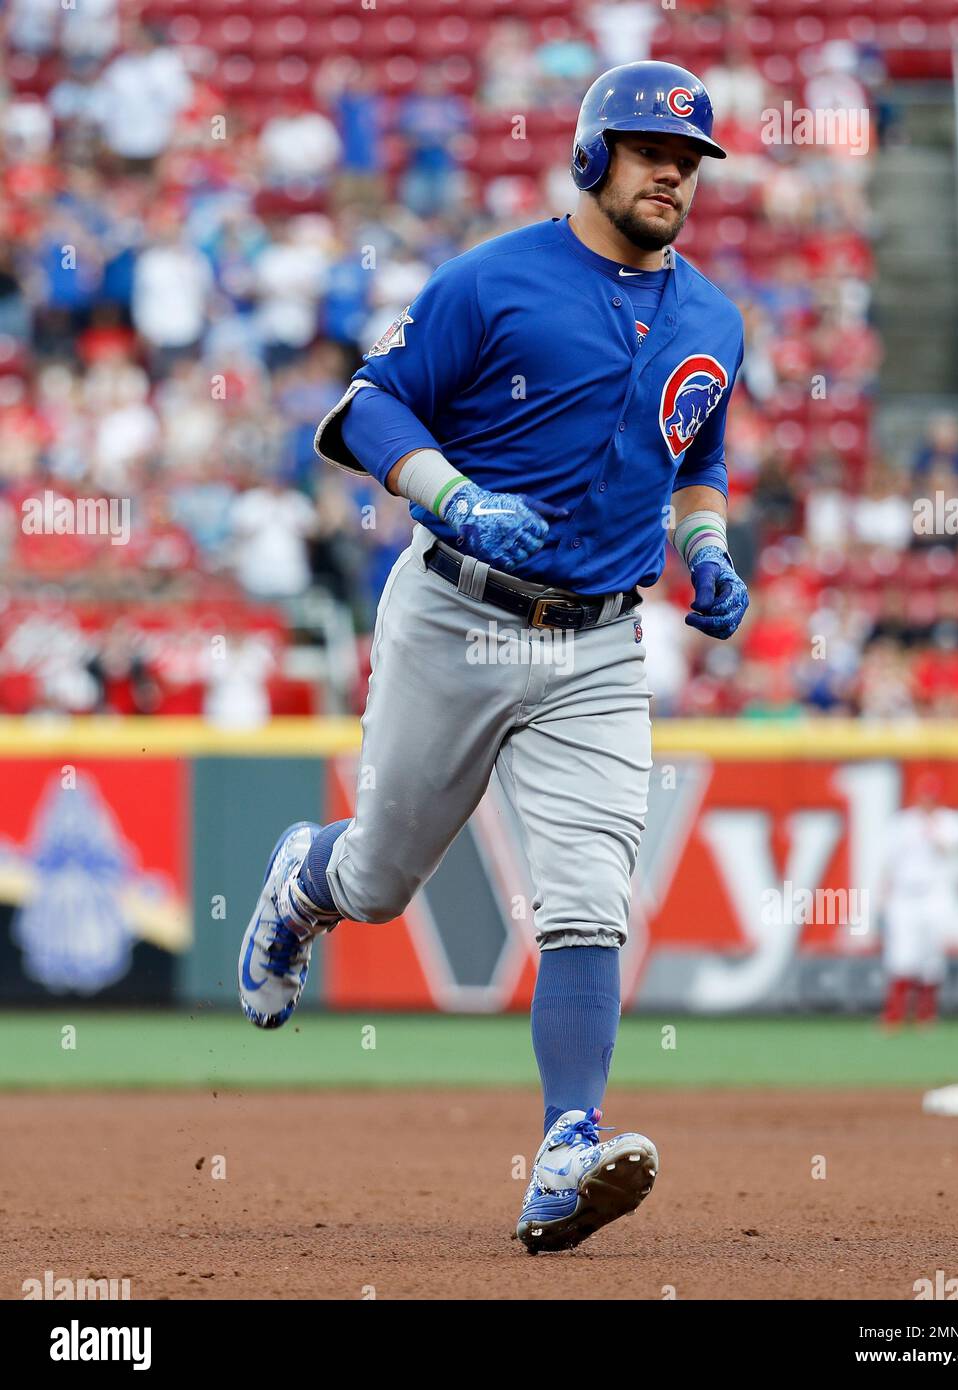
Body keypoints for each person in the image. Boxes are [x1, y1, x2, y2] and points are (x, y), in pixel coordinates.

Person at [238, 62, 748, 1254]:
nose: (671, 170)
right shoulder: (492, 278)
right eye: (645, 148)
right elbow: (368, 407)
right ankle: (303, 881)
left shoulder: (712, 315)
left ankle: (567, 1146)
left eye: (687, 158)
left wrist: (707, 548)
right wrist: (454, 497)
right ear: (588, 156)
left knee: (587, 896)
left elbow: (697, 450)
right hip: (455, 614)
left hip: (601, 643)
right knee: (379, 881)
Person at [879, 773, 958, 1028]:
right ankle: (894, 1014)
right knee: (901, 954)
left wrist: (933, 832)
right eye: (924, 797)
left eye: (932, 798)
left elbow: (951, 851)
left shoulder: (949, 822)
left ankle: (926, 1015)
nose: (927, 802)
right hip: (904, 894)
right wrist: (883, 893)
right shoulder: (902, 823)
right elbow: (888, 862)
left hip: (934, 893)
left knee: (931, 955)